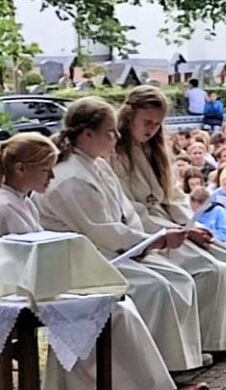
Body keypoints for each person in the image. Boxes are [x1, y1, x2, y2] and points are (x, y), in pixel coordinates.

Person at [0, 134, 208, 390]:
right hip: (17, 295)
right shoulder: (5, 207)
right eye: (45, 170)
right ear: (21, 168)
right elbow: (16, 262)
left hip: (38, 288)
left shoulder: (23, 202)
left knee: (116, 305)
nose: (51, 177)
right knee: (108, 313)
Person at [37, 98, 206, 373]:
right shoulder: (72, 177)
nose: (117, 136)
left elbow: (126, 213)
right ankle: (147, 371)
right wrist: (157, 241)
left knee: (179, 278)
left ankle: (173, 362)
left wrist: (153, 238)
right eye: (110, 131)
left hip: (108, 251)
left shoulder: (98, 165)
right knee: (155, 288)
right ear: (87, 134)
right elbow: (102, 231)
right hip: (80, 260)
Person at [111, 87, 226, 360]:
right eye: (147, 122)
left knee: (225, 258)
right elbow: (129, 208)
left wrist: (190, 225)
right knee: (206, 269)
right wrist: (176, 232)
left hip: (169, 219)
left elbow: (173, 195)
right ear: (130, 116)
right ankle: (195, 345)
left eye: (157, 124)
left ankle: (217, 339)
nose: (151, 129)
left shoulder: (155, 150)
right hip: (148, 227)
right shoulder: (115, 154)